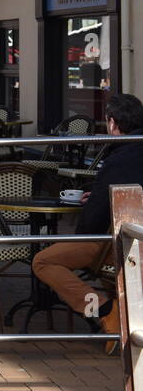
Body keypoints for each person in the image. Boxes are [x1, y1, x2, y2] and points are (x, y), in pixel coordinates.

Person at [33, 93, 143, 354]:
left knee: (44, 261)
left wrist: (79, 232)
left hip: (114, 242)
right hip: (136, 236)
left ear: (113, 124)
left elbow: (93, 221)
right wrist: (98, 194)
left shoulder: (118, 157)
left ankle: (104, 310)